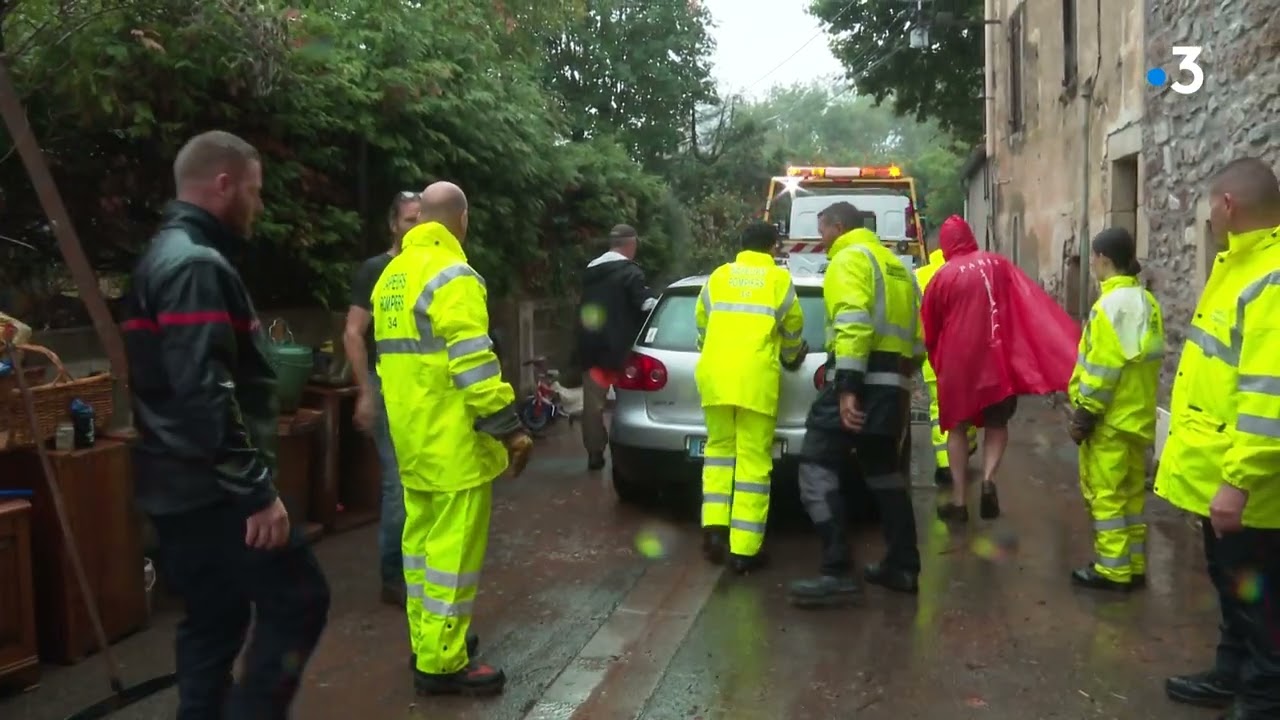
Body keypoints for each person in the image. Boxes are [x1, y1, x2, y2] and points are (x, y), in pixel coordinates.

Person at [121, 130, 330, 718]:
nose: (258, 207)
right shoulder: (194, 265)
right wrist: (255, 493)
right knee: (300, 598)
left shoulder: (168, 254)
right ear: (224, 185)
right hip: (211, 491)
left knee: (215, 620)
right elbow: (204, 391)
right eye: (255, 193)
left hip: (177, 485)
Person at [371, 180, 533, 696]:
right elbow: (473, 364)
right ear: (461, 220)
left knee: (419, 550)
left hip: (411, 438)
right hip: (453, 443)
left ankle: (431, 641)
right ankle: (442, 663)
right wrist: (508, 430)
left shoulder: (391, 277)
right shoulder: (453, 276)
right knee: (452, 556)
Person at [1156, 157, 1280, 720]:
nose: (1209, 216)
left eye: (1210, 205)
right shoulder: (1239, 266)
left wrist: (1238, 481)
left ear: (1227, 206)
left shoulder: (1270, 278)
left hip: (1252, 491)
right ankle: (1231, 674)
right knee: (1233, 586)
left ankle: (1263, 696)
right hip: (1223, 476)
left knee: (1260, 598)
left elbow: (1268, 394)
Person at [788, 202, 924, 606]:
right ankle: (902, 566)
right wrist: (901, 380)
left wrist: (847, 387)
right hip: (892, 385)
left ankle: (836, 570)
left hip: (858, 381)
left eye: (823, 230)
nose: (821, 240)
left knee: (815, 462)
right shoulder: (898, 268)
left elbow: (853, 322)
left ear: (839, 226)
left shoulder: (849, 259)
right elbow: (918, 336)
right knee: (884, 474)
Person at [922, 215, 1079, 523]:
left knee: (956, 427)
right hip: (997, 360)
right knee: (997, 424)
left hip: (959, 364)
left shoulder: (942, 276)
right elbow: (1026, 301)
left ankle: (958, 501)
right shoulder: (999, 265)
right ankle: (989, 479)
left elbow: (931, 325)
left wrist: (936, 358)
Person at [694, 221, 807, 574]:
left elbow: (702, 323)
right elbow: (793, 330)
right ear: (773, 246)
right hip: (756, 381)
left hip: (715, 377)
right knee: (753, 464)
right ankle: (743, 551)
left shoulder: (719, 276)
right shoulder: (778, 281)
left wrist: (713, 353)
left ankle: (714, 530)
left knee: (718, 452)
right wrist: (791, 356)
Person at [1066, 227, 1164, 592]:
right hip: (1137, 418)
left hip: (1109, 420)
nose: (1090, 262)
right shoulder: (1146, 302)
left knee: (1105, 496)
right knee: (1132, 498)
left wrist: (1084, 415)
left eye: (1092, 257)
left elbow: (1103, 368)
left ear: (1104, 259)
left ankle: (1112, 570)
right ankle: (1133, 565)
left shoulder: (1109, 306)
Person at [344, 190, 421, 607]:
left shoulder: (431, 269)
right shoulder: (377, 270)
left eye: (422, 220)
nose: (416, 228)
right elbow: (354, 332)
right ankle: (393, 576)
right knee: (398, 481)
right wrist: (365, 392)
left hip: (423, 392)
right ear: (393, 224)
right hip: (386, 387)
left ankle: (417, 566)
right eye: (409, 220)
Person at [575, 224, 658, 470]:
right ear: (630, 245)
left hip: (592, 348)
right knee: (630, 403)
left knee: (593, 406)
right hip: (624, 351)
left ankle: (594, 453)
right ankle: (631, 452)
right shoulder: (631, 273)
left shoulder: (590, 272)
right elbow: (645, 305)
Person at [913, 243, 977, 487]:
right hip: (966, 354)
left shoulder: (921, 276)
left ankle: (947, 464)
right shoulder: (967, 275)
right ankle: (964, 450)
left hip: (934, 356)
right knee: (967, 405)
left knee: (940, 409)